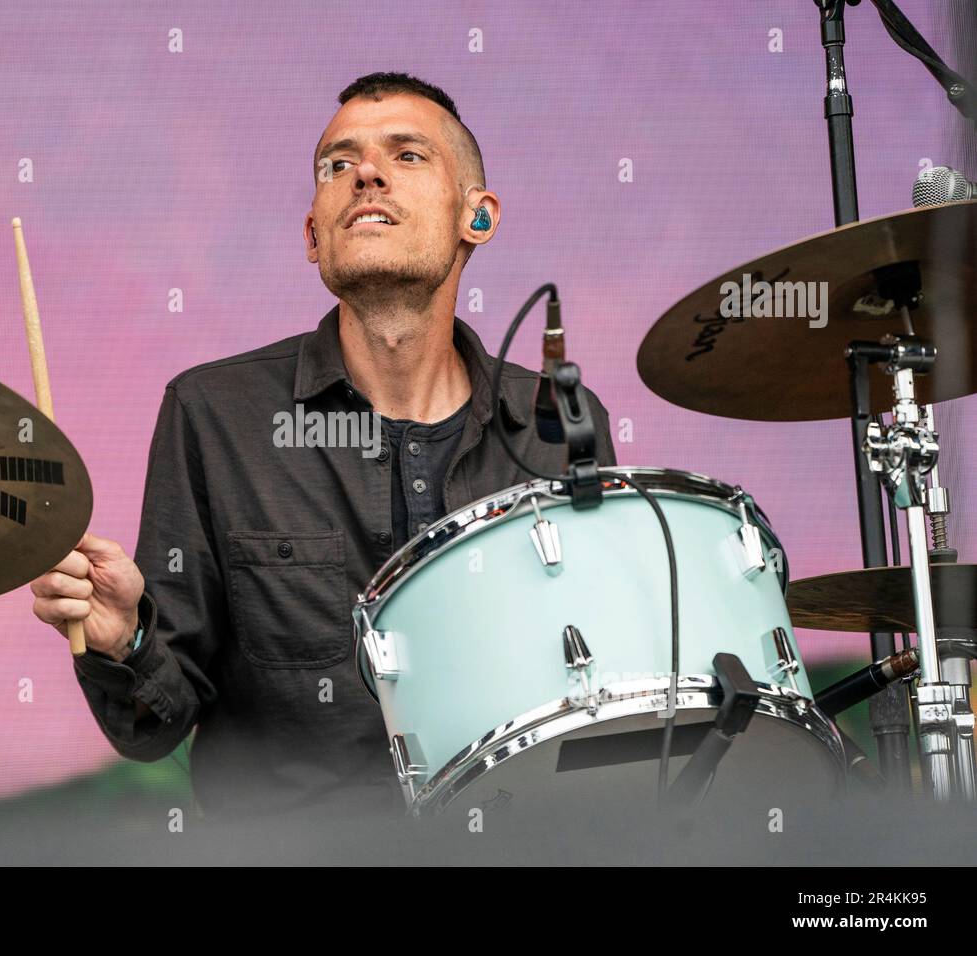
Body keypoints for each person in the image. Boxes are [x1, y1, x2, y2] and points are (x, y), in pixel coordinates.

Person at [31, 72, 617, 820]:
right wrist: (125, 640)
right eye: (337, 166)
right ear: (313, 235)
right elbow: (155, 727)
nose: (364, 173)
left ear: (478, 216)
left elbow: (605, 685)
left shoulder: (557, 420)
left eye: (407, 156)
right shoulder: (215, 414)